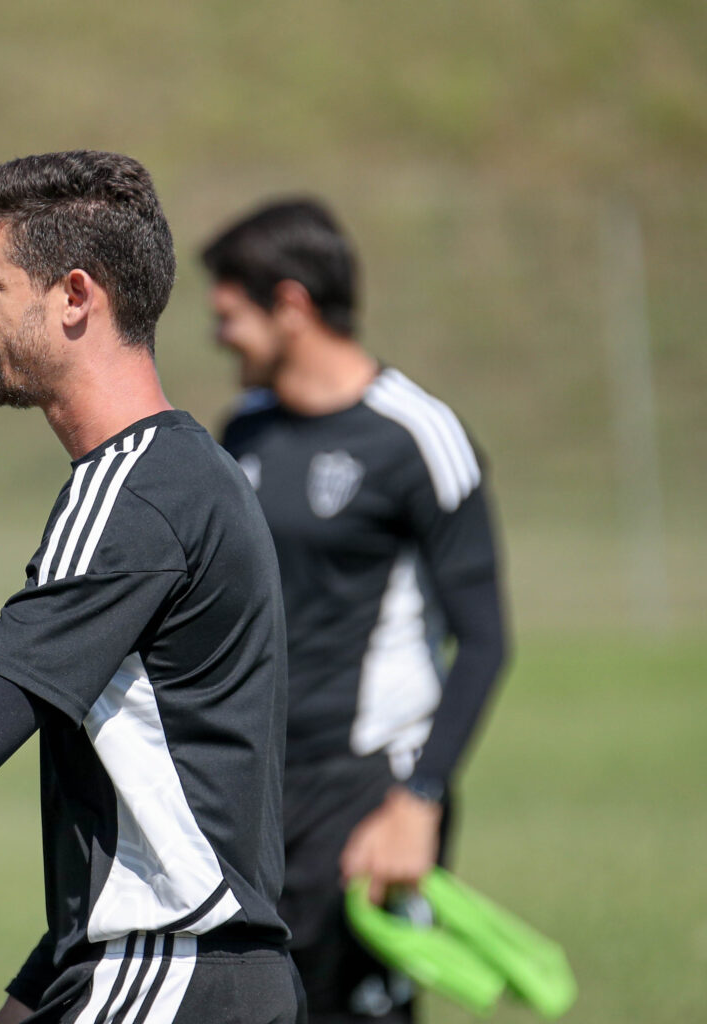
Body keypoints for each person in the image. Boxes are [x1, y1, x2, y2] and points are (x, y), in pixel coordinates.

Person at [0, 152, 301, 1024]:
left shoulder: (132, 495)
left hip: (166, 975)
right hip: (198, 975)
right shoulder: (192, 474)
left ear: (75, 296)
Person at [200, 199, 509, 1024]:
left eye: (230, 316)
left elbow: (483, 641)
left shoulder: (418, 435)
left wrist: (419, 803)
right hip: (260, 785)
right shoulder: (244, 431)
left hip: (370, 784)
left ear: (292, 306)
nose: (218, 336)